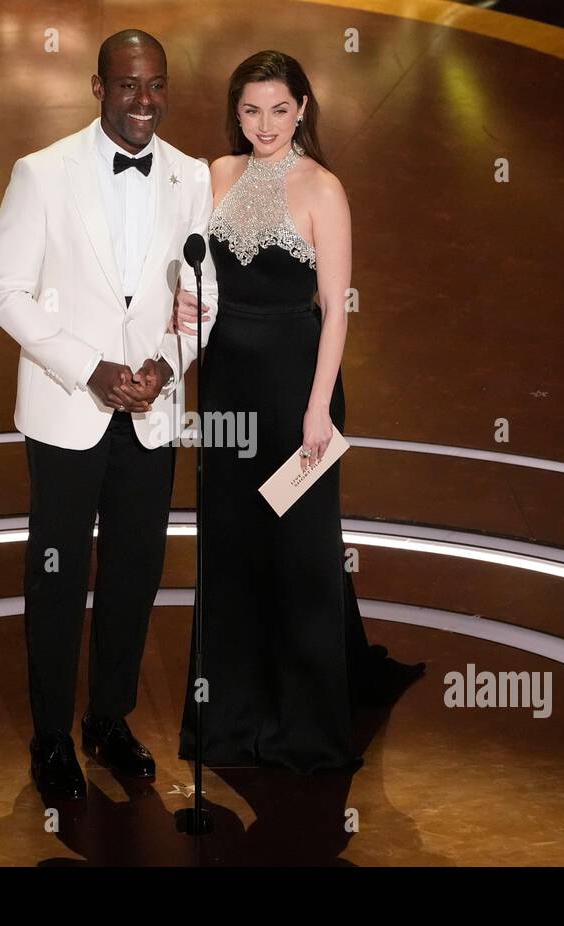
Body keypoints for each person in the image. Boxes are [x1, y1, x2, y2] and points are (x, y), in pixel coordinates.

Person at [175, 50, 424, 775]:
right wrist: (181, 296)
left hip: (298, 392)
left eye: (280, 109)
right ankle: (229, 720)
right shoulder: (218, 175)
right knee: (231, 544)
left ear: (303, 110)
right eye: (251, 110)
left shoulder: (324, 189)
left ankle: (305, 727)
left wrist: (320, 410)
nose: (265, 125)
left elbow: (336, 310)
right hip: (225, 386)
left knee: (300, 550)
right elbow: (189, 265)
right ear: (237, 112)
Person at [0, 29, 216, 801]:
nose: (143, 101)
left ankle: (108, 720)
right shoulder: (41, 173)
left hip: (150, 411)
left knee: (133, 572)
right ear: (98, 87)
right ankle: (51, 737)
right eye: (127, 86)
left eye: (156, 85)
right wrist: (91, 369)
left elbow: (201, 299)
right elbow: (5, 291)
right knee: (55, 578)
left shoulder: (190, 178)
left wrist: (164, 365)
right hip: (66, 410)